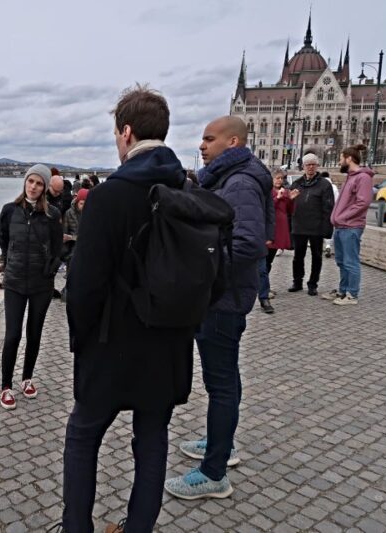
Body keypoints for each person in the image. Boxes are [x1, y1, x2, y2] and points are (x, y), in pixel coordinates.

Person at [61, 85, 194, 532]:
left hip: (109, 342)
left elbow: (84, 286)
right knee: (152, 438)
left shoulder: (108, 196)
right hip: (169, 342)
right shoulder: (187, 189)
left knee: (83, 435)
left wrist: (81, 340)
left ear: (126, 132)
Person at [166, 115, 271, 500]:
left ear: (233, 143)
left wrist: (201, 266)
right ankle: (221, 443)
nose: (202, 145)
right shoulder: (232, 178)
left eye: (209, 139)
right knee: (225, 378)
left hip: (223, 298)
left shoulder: (239, 183)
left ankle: (214, 473)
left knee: (221, 382)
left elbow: (248, 244)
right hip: (225, 295)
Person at [0, 164, 63, 410]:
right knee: (12, 335)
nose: (33, 187)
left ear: (45, 188)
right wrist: (9, 262)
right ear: (25, 181)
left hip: (41, 284)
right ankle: (6, 386)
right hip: (14, 282)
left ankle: (27, 378)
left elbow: (57, 247)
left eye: (39, 183)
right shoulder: (9, 211)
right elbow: (4, 240)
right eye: (30, 181)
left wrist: (50, 270)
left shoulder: (52, 214)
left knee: (34, 332)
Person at [323, 144, 374, 305]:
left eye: (341, 158)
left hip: (351, 227)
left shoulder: (363, 178)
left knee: (351, 262)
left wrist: (342, 217)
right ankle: (343, 290)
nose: (339, 162)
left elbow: (363, 203)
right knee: (341, 261)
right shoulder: (351, 177)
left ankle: (352, 295)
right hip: (341, 226)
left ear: (349, 159)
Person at [287, 153, 334, 296]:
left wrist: (327, 228)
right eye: (308, 164)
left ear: (317, 166)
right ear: (303, 166)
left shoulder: (324, 184)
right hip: (299, 225)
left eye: (313, 164)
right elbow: (288, 205)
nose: (311, 167)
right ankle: (297, 282)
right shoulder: (296, 184)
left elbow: (328, 207)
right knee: (298, 256)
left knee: (316, 257)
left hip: (316, 227)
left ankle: (313, 284)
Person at [258, 170, 294, 313]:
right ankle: (263, 289)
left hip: (279, 229)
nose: (279, 180)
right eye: (277, 178)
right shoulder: (268, 192)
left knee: (269, 260)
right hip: (270, 229)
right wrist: (277, 198)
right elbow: (267, 209)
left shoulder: (285, 192)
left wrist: (291, 199)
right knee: (264, 263)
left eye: (281, 178)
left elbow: (290, 210)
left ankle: (264, 286)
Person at [61, 188, 88, 264]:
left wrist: (71, 237)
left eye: (86, 204)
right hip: (72, 250)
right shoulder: (68, 213)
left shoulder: (91, 214)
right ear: (77, 202)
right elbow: (64, 233)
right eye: (81, 204)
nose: (84, 207)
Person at [320, 171, 340, 258]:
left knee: (321, 229)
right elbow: (338, 200)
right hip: (332, 211)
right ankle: (328, 246)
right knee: (330, 229)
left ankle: (322, 246)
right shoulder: (334, 187)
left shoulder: (320, 185)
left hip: (321, 211)